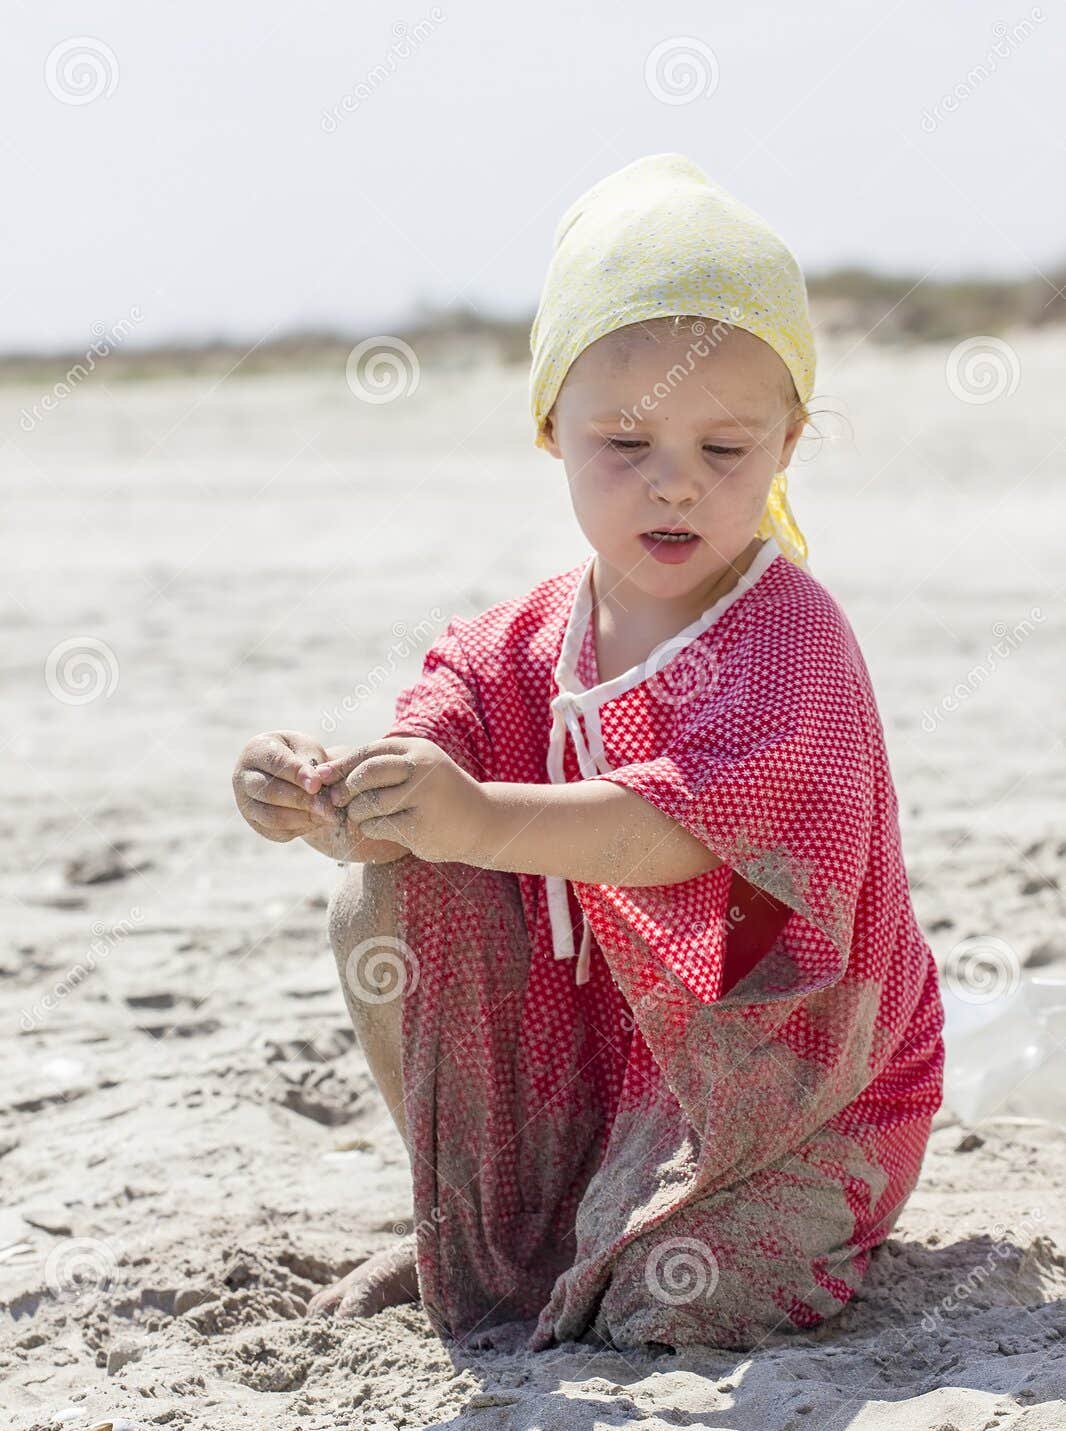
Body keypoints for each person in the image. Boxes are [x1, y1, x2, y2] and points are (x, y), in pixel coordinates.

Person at [232, 153, 944, 1354]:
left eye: (725, 450)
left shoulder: (789, 637)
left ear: (787, 443)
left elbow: (673, 829)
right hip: (594, 1070)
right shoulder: (512, 643)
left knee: (660, 1305)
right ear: (549, 428)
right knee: (383, 891)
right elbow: (423, 762)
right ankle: (479, 1218)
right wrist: (325, 797)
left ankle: (675, 1222)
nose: (675, 484)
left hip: (789, 1088)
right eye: (624, 440)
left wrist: (478, 816)